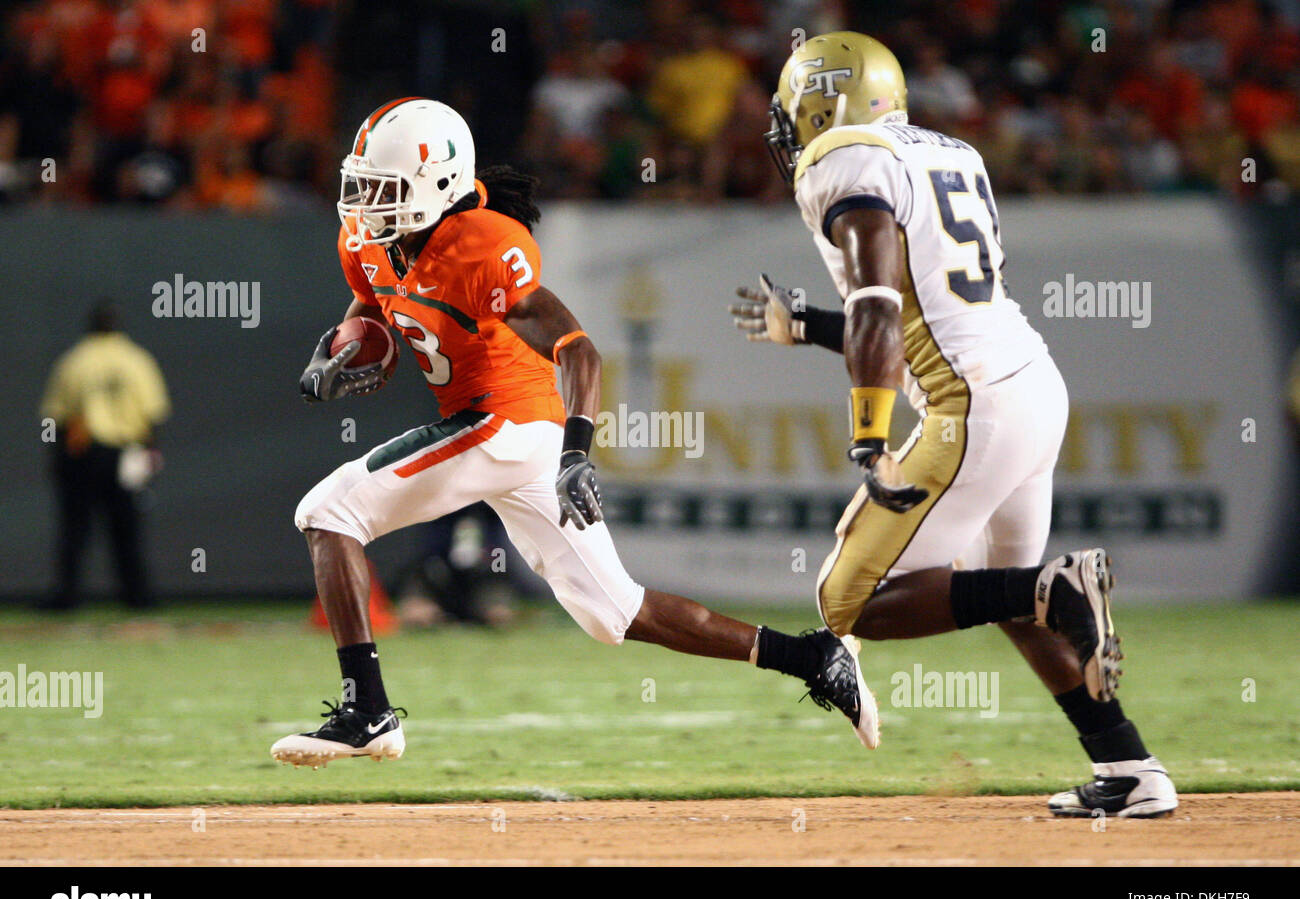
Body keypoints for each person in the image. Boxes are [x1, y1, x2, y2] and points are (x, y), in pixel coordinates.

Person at [270, 97, 875, 767]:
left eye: (384, 188)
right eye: (364, 184)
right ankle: (815, 658)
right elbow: (374, 307)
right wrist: (345, 349)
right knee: (614, 612)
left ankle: (368, 712)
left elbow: (578, 351)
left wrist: (577, 453)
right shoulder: (369, 241)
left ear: (435, 185)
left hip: (508, 423)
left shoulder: (482, 245)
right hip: (498, 432)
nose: (366, 203)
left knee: (328, 512)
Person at [729, 32, 1177, 818]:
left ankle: (1057, 588)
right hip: (1032, 387)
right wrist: (804, 327)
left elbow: (877, 306)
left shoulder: (841, 161)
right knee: (1004, 598)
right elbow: (918, 316)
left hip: (971, 408)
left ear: (825, 102)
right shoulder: (950, 152)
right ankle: (1130, 766)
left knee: (848, 603)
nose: (790, 132)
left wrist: (870, 434)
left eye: (796, 112)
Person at [39, 299, 169, 609]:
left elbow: (56, 416)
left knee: (75, 528)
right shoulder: (137, 359)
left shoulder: (74, 360)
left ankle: (67, 596)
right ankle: (137, 596)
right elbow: (153, 413)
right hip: (127, 452)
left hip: (84, 454)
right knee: (127, 527)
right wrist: (151, 450)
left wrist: (56, 457)